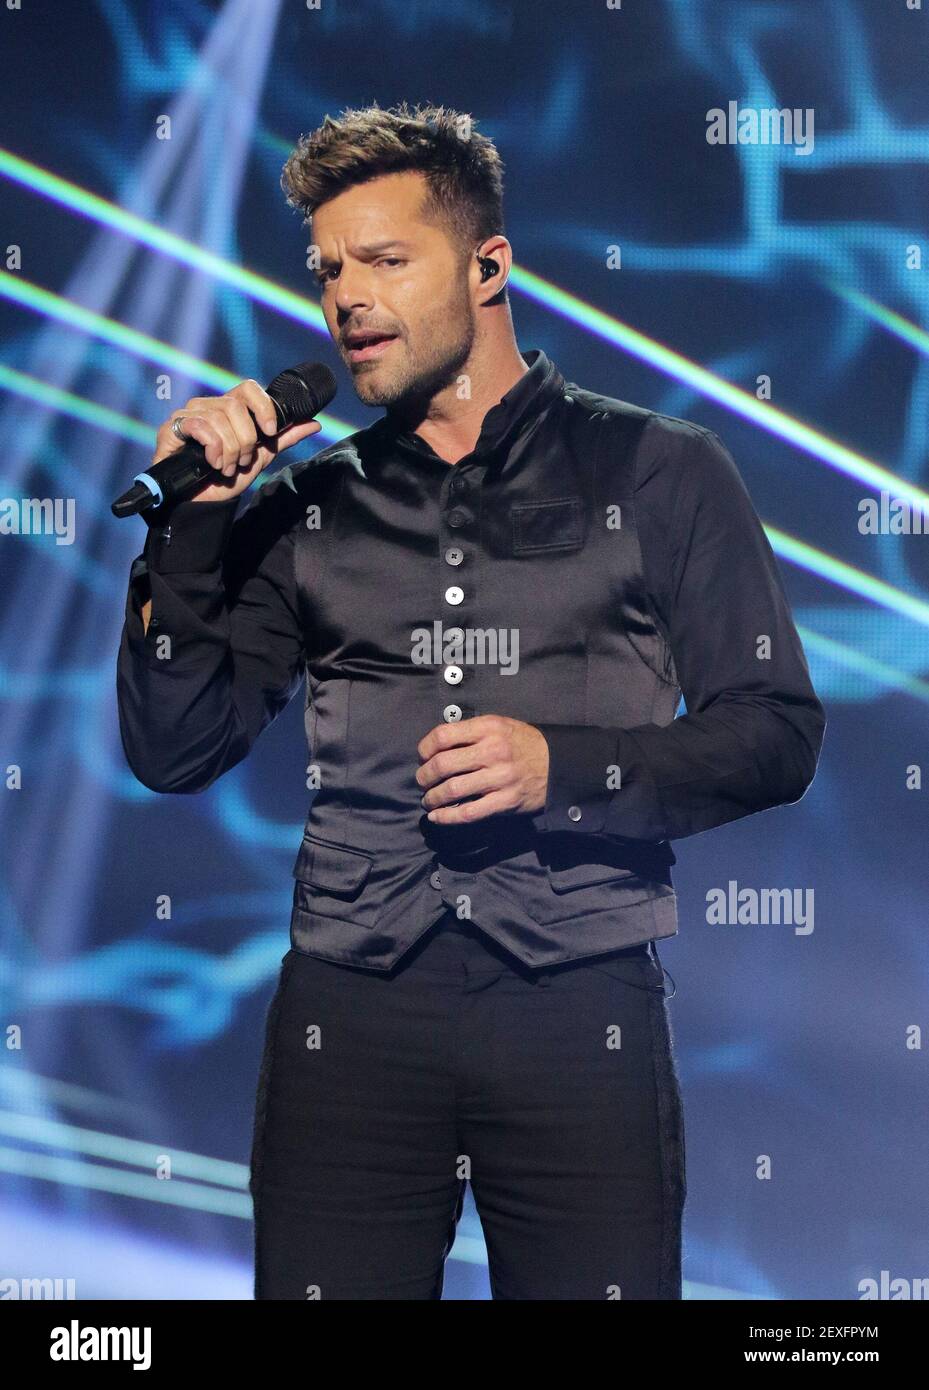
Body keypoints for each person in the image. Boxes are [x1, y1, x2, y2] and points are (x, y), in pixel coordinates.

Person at [116, 101, 826, 1300]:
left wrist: (568, 769)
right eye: (331, 268)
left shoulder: (657, 470)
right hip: (349, 1020)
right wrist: (191, 533)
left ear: (488, 265)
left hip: (578, 1012)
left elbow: (774, 731)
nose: (347, 296)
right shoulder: (303, 506)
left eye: (386, 260)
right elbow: (174, 748)